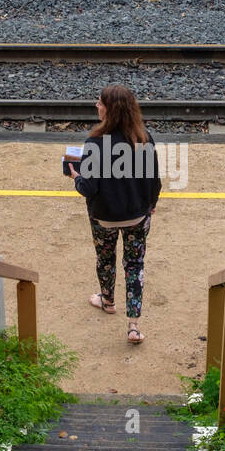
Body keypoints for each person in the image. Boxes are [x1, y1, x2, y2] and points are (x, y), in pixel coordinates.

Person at [64, 84, 160, 344]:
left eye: (100, 102)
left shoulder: (94, 143)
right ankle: (133, 326)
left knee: (105, 259)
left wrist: (75, 175)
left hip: (103, 217)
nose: (96, 105)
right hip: (137, 217)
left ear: (109, 110)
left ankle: (107, 301)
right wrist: (151, 204)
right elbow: (154, 179)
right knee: (134, 265)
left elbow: (88, 188)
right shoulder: (144, 138)